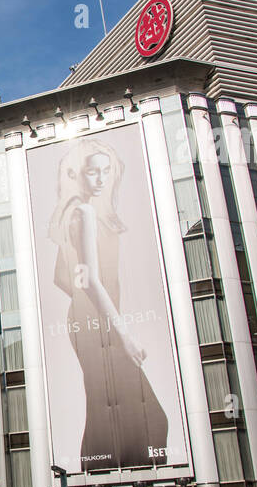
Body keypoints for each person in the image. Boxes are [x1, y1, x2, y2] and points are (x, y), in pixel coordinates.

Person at [47, 136, 170, 467]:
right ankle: (95, 480)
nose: (101, 179)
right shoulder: (84, 213)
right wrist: (124, 335)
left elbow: (64, 278)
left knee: (117, 410)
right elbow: (88, 280)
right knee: (142, 416)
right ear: (78, 175)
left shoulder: (97, 214)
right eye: (92, 172)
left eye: (106, 171)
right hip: (98, 323)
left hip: (93, 317)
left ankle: (96, 480)